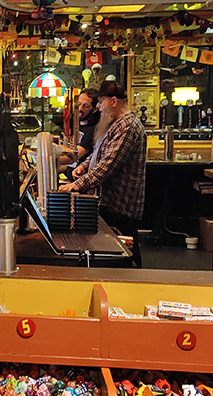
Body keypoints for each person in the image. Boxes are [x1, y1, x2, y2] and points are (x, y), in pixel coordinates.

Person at [58, 79, 147, 267]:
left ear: (113, 101)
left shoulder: (128, 127)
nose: (99, 107)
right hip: (110, 203)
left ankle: (136, 287)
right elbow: (100, 152)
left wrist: (75, 185)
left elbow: (108, 165)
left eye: (101, 102)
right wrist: (85, 165)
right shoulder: (115, 124)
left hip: (121, 206)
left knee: (126, 259)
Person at [59, 89, 100, 168]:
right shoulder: (74, 123)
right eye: (79, 104)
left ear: (95, 109)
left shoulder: (94, 129)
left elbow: (72, 158)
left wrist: (47, 158)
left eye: (86, 106)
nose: (80, 109)